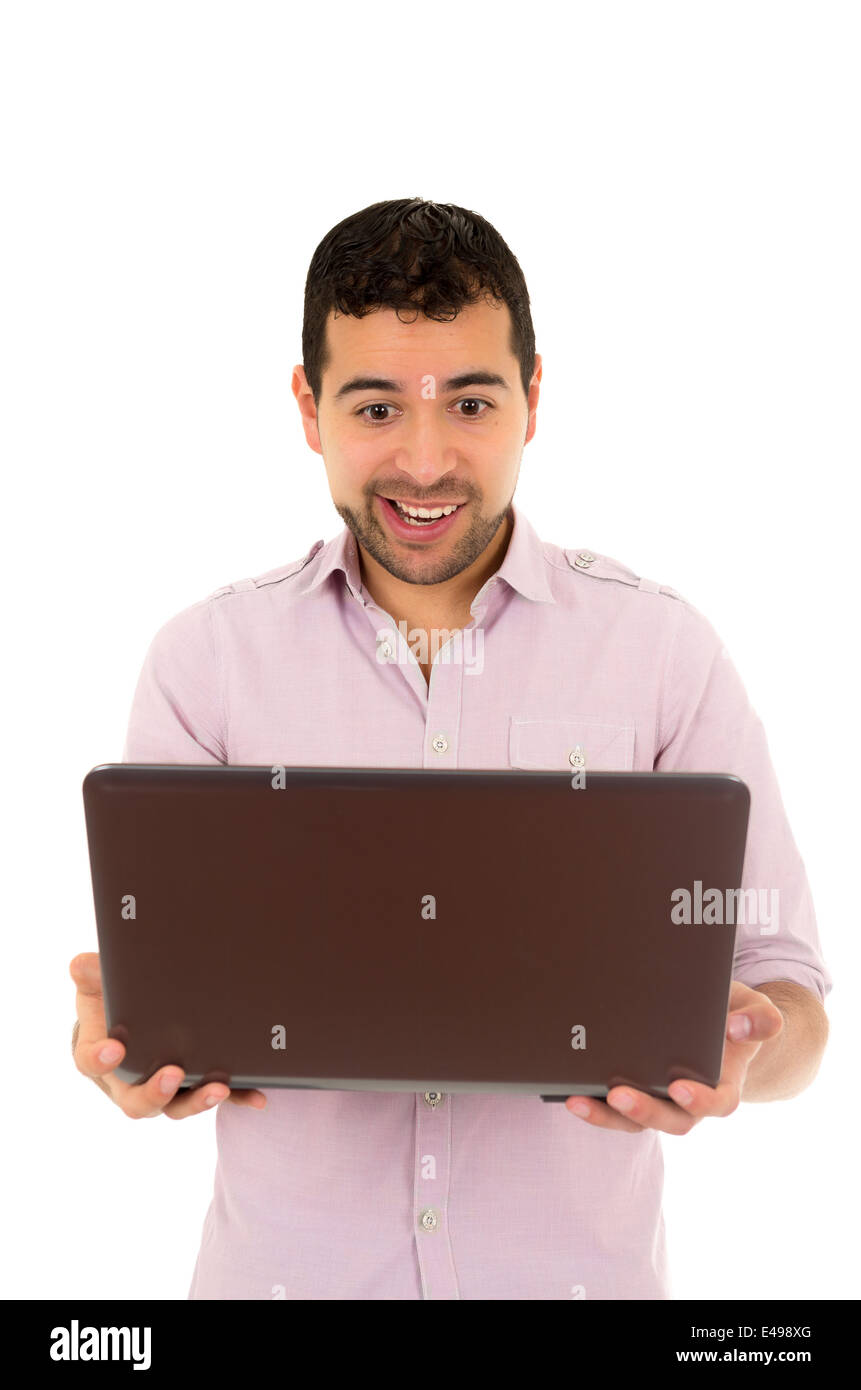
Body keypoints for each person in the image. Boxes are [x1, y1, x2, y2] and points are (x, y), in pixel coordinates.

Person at [70, 198, 831, 1300]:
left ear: (532, 398)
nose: (424, 462)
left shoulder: (662, 652)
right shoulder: (207, 664)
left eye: (469, 401)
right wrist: (119, 1051)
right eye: (376, 404)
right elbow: (160, 996)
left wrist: (752, 1048)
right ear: (308, 407)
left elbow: (790, 995)